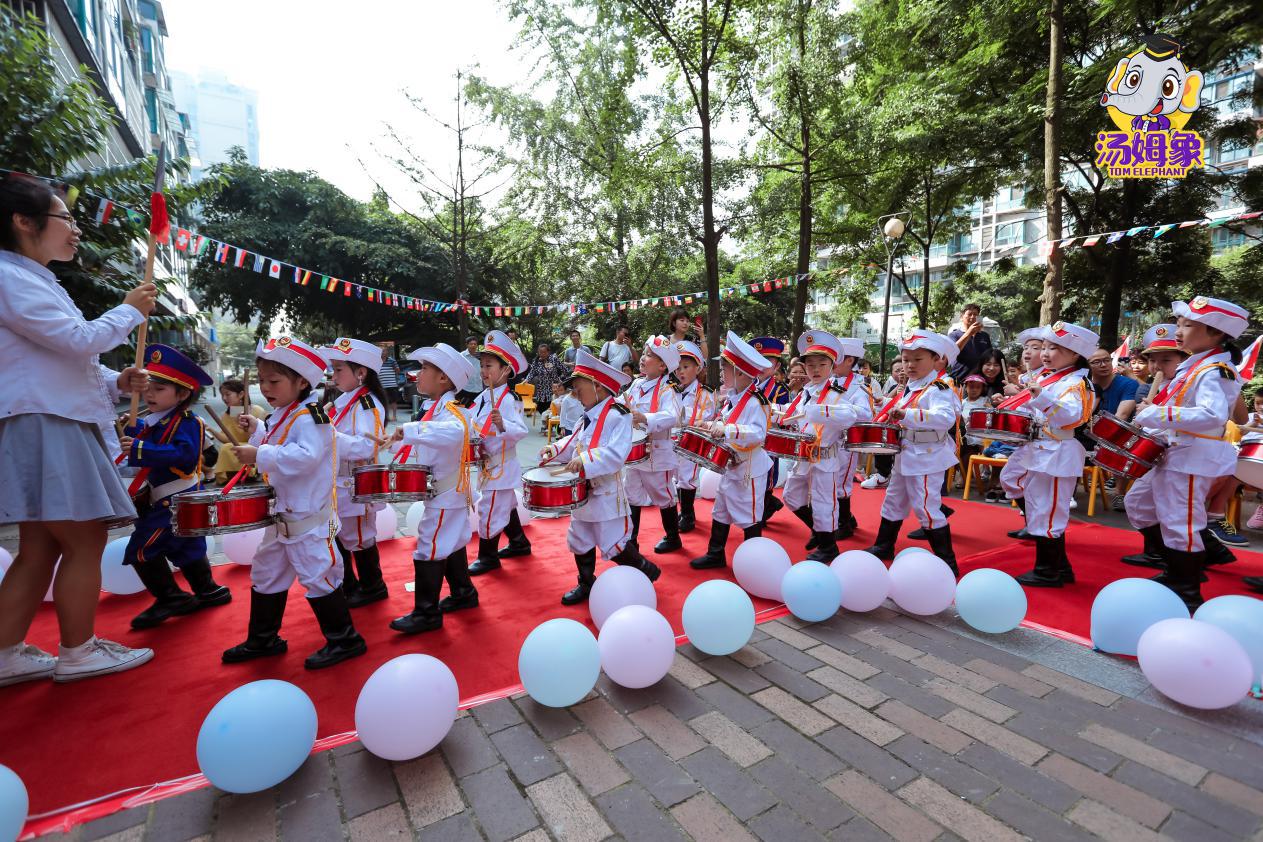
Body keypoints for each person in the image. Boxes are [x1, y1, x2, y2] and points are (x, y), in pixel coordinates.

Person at [0, 175, 158, 686]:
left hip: (46, 415)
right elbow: (76, 340)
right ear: (23, 221)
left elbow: (56, 357)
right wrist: (130, 310)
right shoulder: (11, 277)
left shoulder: (32, 278)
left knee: (40, 547)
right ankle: (79, 651)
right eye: (65, 218)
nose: (75, 229)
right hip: (50, 421)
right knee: (86, 539)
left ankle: (5, 653)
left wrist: (116, 381)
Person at [225, 336, 367, 669]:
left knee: (320, 576)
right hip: (283, 516)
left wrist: (259, 453)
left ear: (302, 382)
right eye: (262, 380)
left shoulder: (312, 416)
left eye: (273, 381)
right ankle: (263, 639)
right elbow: (279, 441)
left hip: (308, 520)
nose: (265, 388)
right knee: (266, 573)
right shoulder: (285, 413)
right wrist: (258, 430)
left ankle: (345, 640)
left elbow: (305, 456)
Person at [1122, 297, 1249, 610]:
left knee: (1180, 521)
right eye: (1179, 323)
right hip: (1174, 452)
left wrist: (1157, 414)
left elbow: (1212, 415)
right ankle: (1179, 567)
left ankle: (1187, 590)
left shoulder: (1216, 370)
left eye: (1188, 325)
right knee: (1138, 504)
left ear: (1216, 333)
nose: (1178, 331)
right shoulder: (1194, 366)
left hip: (1192, 457)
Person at [118, 344, 231, 630]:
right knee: (186, 546)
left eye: (159, 389)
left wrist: (140, 447)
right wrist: (131, 429)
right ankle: (208, 590)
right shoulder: (155, 420)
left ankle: (172, 598)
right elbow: (147, 440)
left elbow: (186, 455)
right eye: (148, 387)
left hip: (175, 498)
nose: (149, 394)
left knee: (141, 548)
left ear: (182, 394)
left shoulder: (189, 422)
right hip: (166, 498)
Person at [540, 350, 660, 604]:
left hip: (606, 495)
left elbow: (616, 454)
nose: (575, 393)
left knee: (614, 544)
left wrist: (585, 460)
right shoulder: (587, 416)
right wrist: (554, 450)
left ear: (598, 386)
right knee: (579, 539)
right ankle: (586, 583)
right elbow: (573, 443)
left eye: (579, 388)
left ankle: (645, 571)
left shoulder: (618, 415)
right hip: (583, 494)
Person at [388, 344, 480, 633]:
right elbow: (425, 443)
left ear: (443, 378)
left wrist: (411, 430)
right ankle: (464, 593)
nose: (418, 374)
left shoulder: (454, 412)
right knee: (452, 541)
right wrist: (392, 442)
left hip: (446, 493)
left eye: (425, 368)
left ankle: (426, 613)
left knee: (429, 544)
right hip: (445, 492)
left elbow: (457, 432)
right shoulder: (434, 409)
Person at [998, 322, 1098, 587]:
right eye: (1044, 347)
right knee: (1040, 506)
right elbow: (1034, 412)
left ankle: (1048, 571)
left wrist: (1040, 396)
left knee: (1049, 511)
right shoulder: (1051, 378)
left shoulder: (1078, 382)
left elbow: (1072, 417)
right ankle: (1059, 567)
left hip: (1059, 451)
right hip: (1041, 449)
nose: (1045, 353)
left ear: (1075, 354)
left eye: (1054, 348)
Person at [865, 331, 962, 572]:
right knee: (893, 500)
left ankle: (947, 562)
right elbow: (903, 409)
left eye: (918, 359)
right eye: (906, 359)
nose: (910, 365)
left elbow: (946, 418)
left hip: (927, 456)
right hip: (905, 453)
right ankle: (884, 546)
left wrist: (907, 414)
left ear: (935, 359)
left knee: (926, 507)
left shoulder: (938, 388)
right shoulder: (913, 386)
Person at [690, 332, 774, 570]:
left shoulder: (757, 402)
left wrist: (726, 429)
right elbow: (725, 424)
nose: (721, 373)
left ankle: (755, 564)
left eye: (725, 368)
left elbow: (758, 433)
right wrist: (710, 426)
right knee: (721, 510)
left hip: (749, 469)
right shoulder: (734, 399)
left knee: (750, 516)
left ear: (740, 372)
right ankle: (715, 554)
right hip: (732, 466)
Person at [320, 337, 389, 608]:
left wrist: (329, 435)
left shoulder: (367, 404)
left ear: (361, 373)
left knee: (359, 538)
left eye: (339, 369)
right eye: (333, 368)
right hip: (340, 482)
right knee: (340, 534)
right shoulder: (346, 401)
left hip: (356, 482)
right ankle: (349, 585)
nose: (333, 375)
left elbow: (367, 446)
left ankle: (373, 586)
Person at [779, 331, 855, 561]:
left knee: (824, 502)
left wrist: (819, 411)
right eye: (810, 364)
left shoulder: (836, 393)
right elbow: (794, 414)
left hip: (824, 456)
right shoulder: (806, 392)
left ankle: (828, 546)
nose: (815, 369)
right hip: (803, 455)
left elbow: (850, 416)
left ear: (832, 366)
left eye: (822, 364)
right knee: (791, 496)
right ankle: (819, 531)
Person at [468, 330, 533, 575]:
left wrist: (503, 424)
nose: (484, 371)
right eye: (482, 366)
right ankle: (519, 542)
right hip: (488, 465)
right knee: (505, 505)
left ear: (505, 370)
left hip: (501, 467)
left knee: (490, 509)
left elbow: (521, 430)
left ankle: (488, 557)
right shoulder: (482, 398)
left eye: (489, 365)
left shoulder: (509, 399)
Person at [624, 336, 684, 554]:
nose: (643, 358)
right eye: (644, 353)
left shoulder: (668, 390)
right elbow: (622, 404)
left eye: (649, 355)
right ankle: (631, 541)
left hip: (657, 455)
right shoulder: (636, 384)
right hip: (634, 453)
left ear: (662, 366)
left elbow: (672, 416)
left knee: (663, 495)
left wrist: (645, 417)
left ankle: (673, 536)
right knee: (631, 494)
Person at [831, 337, 876, 539]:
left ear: (850, 360)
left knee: (842, 481)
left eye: (836, 357)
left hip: (845, 441)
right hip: (828, 439)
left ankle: (844, 523)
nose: (831, 361)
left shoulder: (859, 385)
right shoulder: (829, 380)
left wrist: (839, 408)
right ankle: (846, 518)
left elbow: (865, 413)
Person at [672, 340, 716, 533]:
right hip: (674, 440)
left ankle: (688, 516)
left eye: (686, 367)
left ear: (698, 368)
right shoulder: (673, 390)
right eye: (678, 368)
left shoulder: (705, 393)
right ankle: (683, 512)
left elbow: (705, 416)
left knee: (687, 477)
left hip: (692, 441)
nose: (680, 372)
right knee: (676, 476)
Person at [751, 337, 790, 526]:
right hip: (750, 440)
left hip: (770, 440)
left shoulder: (780, 389)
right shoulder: (748, 385)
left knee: (767, 476)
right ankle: (765, 506)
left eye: (767, 361)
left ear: (777, 366)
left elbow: (783, 417)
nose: (761, 365)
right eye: (757, 360)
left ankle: (764, 509)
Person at [209, 379, 267, 484]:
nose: (224, 398)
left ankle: (253, 472)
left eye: (228, 394)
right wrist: (210, 429)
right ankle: (231, 475)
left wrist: (248, 427)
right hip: (236, 445)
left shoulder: (257, 410)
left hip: (253, 445)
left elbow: (262, 436)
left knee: (244, 447)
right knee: (225, 448)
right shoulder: (227, 414)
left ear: (241, 394)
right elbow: (226, 439)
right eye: (222, 395)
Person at [1087, 347, 1139, 421]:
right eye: (1096, 362)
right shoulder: (1083, 386)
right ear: (1087, 365)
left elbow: (1121, 416)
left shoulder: (1129, 384)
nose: (1103, 365)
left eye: (1107, 360)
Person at [948, 303, 993, 381]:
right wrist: (969, 332)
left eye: (975, 314)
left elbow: (989, 356)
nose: (972, 317)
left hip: (979, 380)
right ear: (962, 317)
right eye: (969, 314)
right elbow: (952, 351)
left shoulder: (984, 336)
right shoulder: (954, 335)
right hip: (959, 378)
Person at [525, 343, 568, 415]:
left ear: (548, 352)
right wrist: (526, 380)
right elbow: (532, 373)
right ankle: (545, 421)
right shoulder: (536, 361)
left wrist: (561, 380)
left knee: (552, 408)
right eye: (540, 352)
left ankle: (551, 421)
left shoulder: (553, 359)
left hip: (553, 388)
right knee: (541, 408)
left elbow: (564, 369)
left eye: (544, 352)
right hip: (541, 389)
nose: (542, 354)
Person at [378, 347, 402, 422]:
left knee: (393, 401)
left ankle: (394, 416)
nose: (383, 352)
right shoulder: (377, 361)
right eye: (381, 351)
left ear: (387, 352)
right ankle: (386, 416)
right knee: (384, 401)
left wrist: (395, 368)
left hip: (392, 384)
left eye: (384, 351)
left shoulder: (392, 361)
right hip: (381, 385)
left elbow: (398, 371)